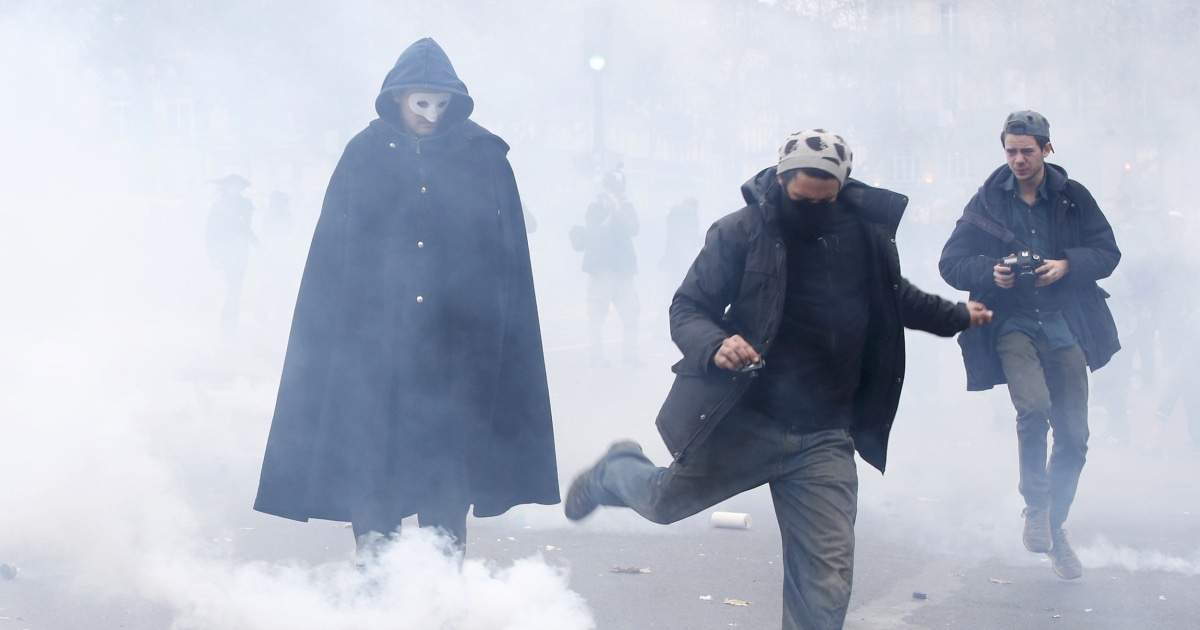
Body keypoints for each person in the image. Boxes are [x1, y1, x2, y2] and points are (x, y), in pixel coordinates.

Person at [565, 130, 991, 630]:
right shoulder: (739, 232)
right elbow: (688, 308)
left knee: (825, 584)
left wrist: (957, 315)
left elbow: (896, 296)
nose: (810, 210)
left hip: (826, 436)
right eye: (800, 198)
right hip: (746, 421)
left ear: (842, 185)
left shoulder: (863, 236)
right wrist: (717, 344)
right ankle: (615, 469)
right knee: (661, 503)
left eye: (823, 200)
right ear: (783, 178)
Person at [253, 37, 559, 559]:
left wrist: (492, 334)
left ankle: (441, 593)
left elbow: (506, 259)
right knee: (373, 473)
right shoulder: (364, 154)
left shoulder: (484, 156)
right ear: (397, 97)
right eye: (421, 103)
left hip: (457, 352)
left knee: (447, 478)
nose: (431, 115)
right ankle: (378, 590)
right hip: (375, 352)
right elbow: (332, 254)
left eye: (441, 104)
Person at [939, 111, 1121, 580]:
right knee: (1033, 408)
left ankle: (1054, 527)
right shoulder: (987, 200)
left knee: (1075, 436)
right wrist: (990, 272)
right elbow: (952, 262)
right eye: (1011, 151)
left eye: (1027, 150)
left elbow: (1108, 253)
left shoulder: (1073, 198)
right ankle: (1035, 506)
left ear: (1046, 149)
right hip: (1011, 324)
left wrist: (1067, 264)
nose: (1019, 159)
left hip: (1064, 324)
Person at [574, 165, 641, 367]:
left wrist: (619, 211)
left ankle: (630, 355)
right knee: (596, 316)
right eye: (613, 189)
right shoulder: (595, 208)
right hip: (601, 270)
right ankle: (596, 356)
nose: (616, 193)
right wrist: (609, 216)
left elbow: (634, 229)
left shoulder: (626, 208)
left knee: (632, 314)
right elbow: (593, 235)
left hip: (623, 271)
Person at [205, 173, 257, 339]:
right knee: (233, 286)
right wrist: (214, 255)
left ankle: (230, 322)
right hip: (225, 253)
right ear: (226, 188)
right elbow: (210, 232)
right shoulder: (218, 207)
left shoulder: (246, 205)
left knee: (236, 287)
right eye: (232, 186)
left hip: (241, 252)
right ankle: (227, 322)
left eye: (238, 186)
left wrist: (258, 245)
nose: (235, 190)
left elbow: (247, 229)